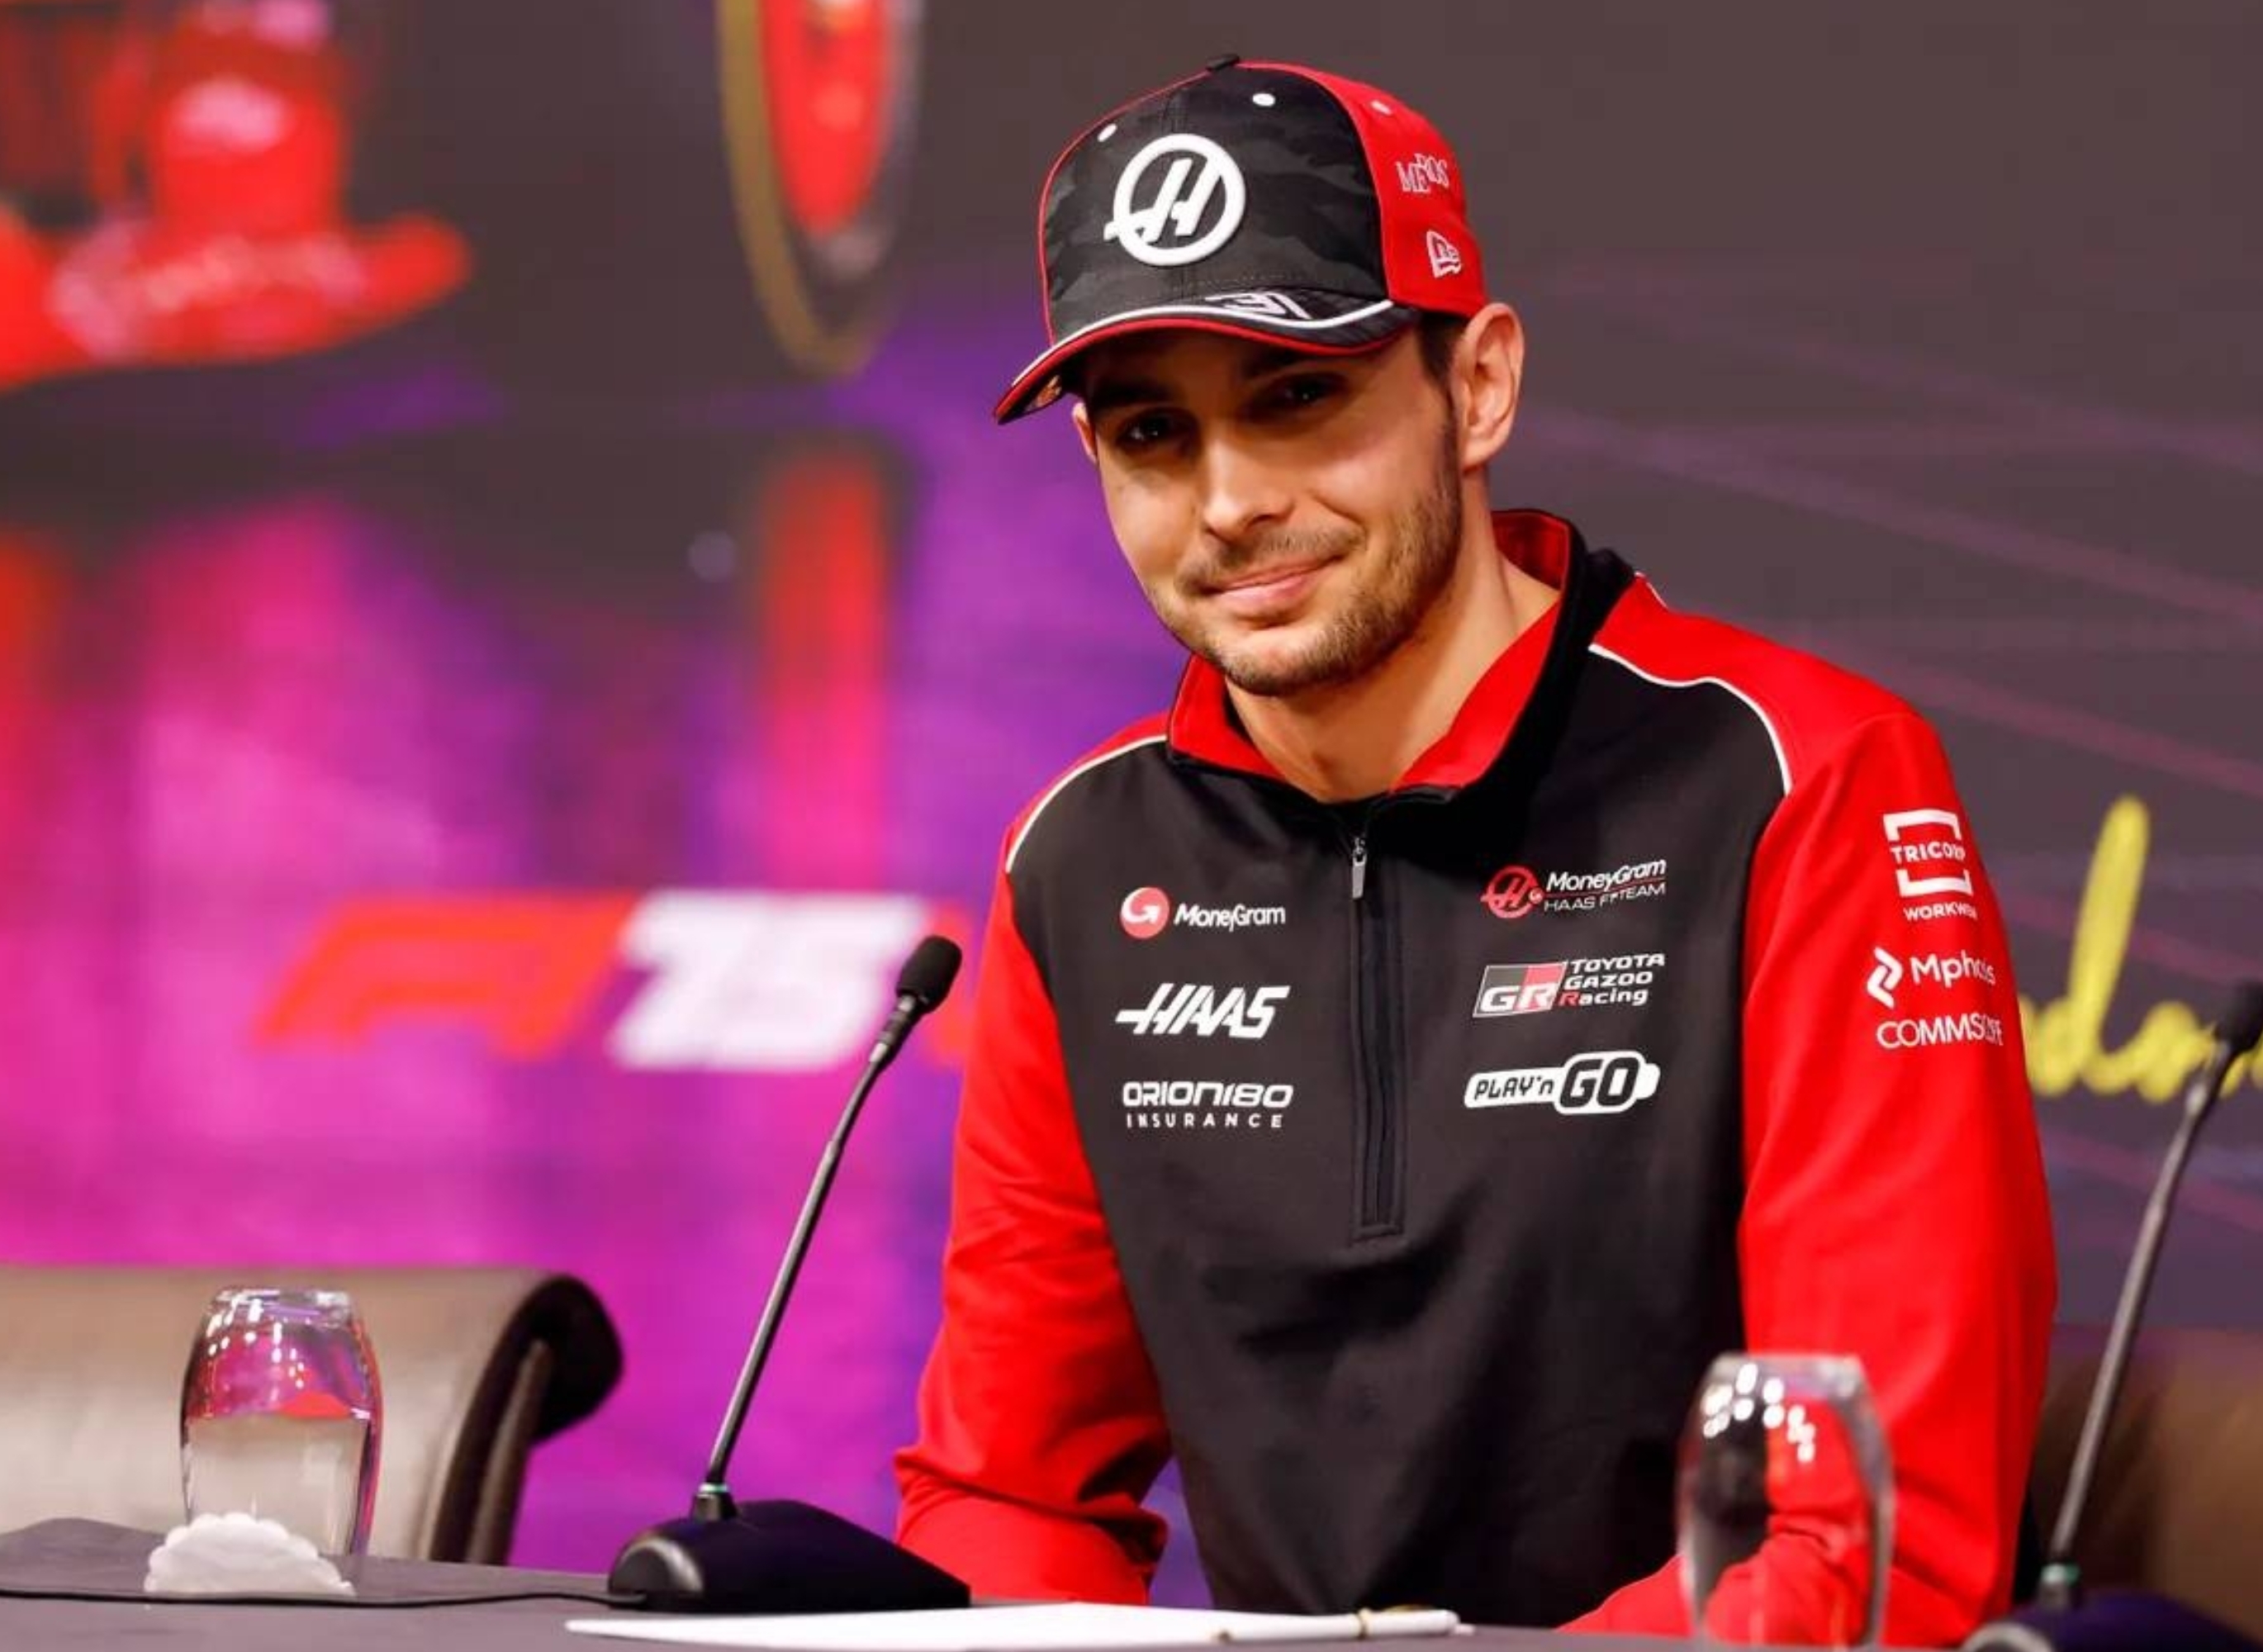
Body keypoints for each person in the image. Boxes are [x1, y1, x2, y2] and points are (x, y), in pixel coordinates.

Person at [894, 55, 2055, 1641]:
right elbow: (1007, 1497)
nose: (1228, 502)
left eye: (1299, 397)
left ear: (1482, 387)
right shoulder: (1078, 861)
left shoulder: (1807, 780)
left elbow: (1871, 1527)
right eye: (1154, 434)